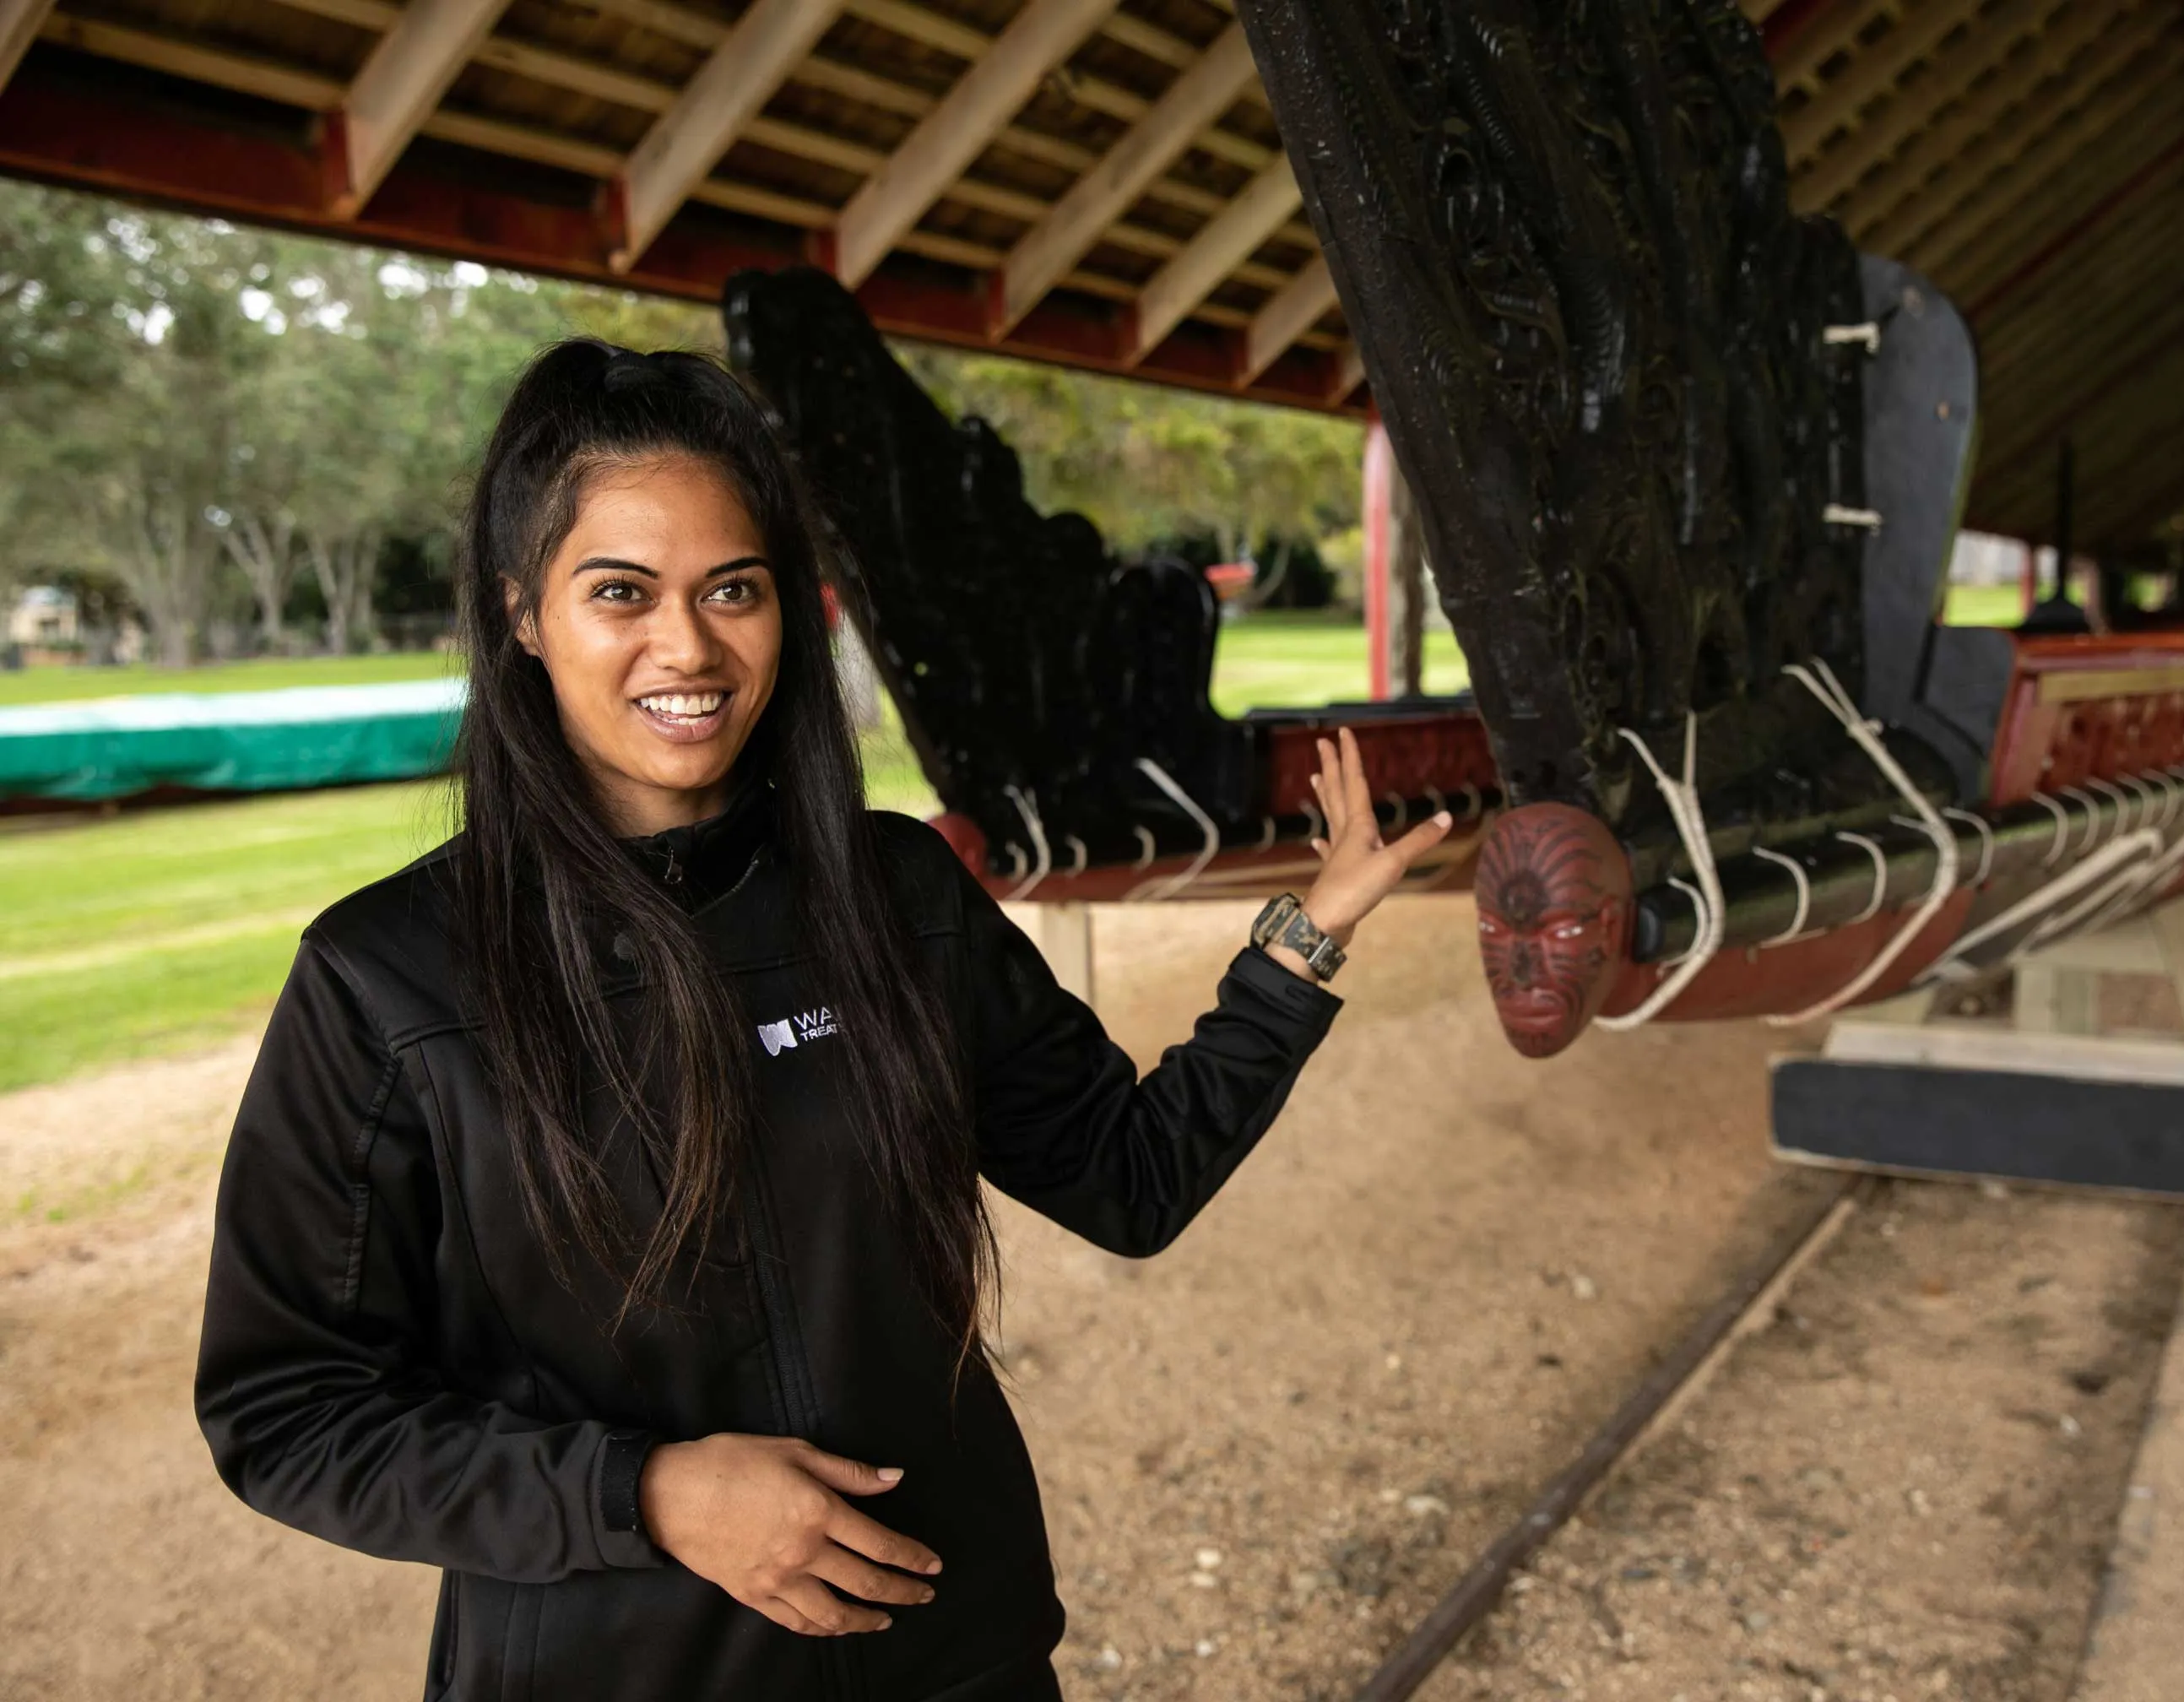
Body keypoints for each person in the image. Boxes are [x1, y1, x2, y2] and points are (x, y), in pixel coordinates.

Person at [194, 342, 1453, 1700]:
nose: (688, 646)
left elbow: (1130, 1180)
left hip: (956, 1660)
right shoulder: (389, 980)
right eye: (620, 592)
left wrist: (1302, 945)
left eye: (733, 589)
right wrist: (650, 1495)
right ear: (521, 613)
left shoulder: (896, 893)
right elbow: (287, 1412)